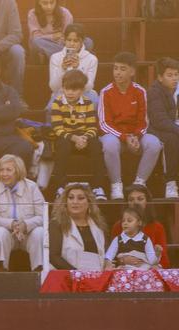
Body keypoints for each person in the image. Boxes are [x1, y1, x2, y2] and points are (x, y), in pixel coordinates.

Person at [99, 52, 161, 201]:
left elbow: (143, 120)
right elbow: (104, 123)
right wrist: (124, 137)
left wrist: (136, 137)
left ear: (132, 71)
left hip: (135, 136)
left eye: (122, 69)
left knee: (154, 143)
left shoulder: (140, 91)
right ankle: (116, 185)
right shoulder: (105, 92)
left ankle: (139, 183)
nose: (117, 72)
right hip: (115, 136)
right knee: (109, 144)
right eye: (115, 68)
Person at [48, 69, 106, 198]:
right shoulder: (57, 103)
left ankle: (98, 186)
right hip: (65, 136)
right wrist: (74, 138)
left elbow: (92, 127)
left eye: (74, 90)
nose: (69, 93)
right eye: (66, 88)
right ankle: (61, 186)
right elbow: (58, 129)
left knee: (96, 145)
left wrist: (84, 138)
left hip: (84, 136)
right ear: (62, 88)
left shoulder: (88, 103)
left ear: (82, 90)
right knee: (62, 146)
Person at [0, 154, 46, 271]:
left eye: (8, 170)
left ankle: (39, 271)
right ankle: (0, 270)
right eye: (1, 170)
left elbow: (43, 216)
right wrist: (12, 224)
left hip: (27, 234)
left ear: (18, 171)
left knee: (40, 232)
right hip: (8, 234)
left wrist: (25, 225)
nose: (4, 174)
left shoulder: (32, 187)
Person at [48, 182, 107, 270]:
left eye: (80, 198)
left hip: (96, 275)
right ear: (66, 202)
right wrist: (77, 273)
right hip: (67, 277)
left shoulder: (99, 225)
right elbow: (53, 257)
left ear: (89, 202)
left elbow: (105, 256)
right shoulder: (56, 224)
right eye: (71, 198)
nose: (75, 202)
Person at [147, 57, 179, 200]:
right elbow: (159, 120)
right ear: (160, 77)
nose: (174, 79)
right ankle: (170, 182)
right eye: (170, 75)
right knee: (172, 139)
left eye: (176, 74)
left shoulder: (175, 90)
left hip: (170, 126)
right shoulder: (154, 92)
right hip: (154, 129)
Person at [113, 184, 168, 267]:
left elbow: (164, 260)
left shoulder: (157, 227)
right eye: (131, 199)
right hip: (124, 272)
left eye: (140, 199)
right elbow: (111, 258)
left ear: (147, 202)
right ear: (127, 203)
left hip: (149, 273)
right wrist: (122, 260)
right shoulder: (118, 226)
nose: (136, 202)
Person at [46, 24, 96, 102]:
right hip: (62, 93)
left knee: (94, 100)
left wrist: (78, 69)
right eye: (69, 40)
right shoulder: (55, 57)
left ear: (82, 41)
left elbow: (88, 87)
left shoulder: (92, 59)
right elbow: (54, 87)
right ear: (64, 40)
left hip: (83, 94)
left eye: (75, 41)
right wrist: (62, 69)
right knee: (49, 108)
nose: (72, 44)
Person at [105, 204, 158, 269]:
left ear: (139, 222)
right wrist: (108, 264)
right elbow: (108, 256)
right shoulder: (118, 239)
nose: (125, 223)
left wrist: (157, 254)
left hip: (142, 270)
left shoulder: (145, 239)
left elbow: (152, 260)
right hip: (124, 271)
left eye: (129, 221)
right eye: (123, 221)